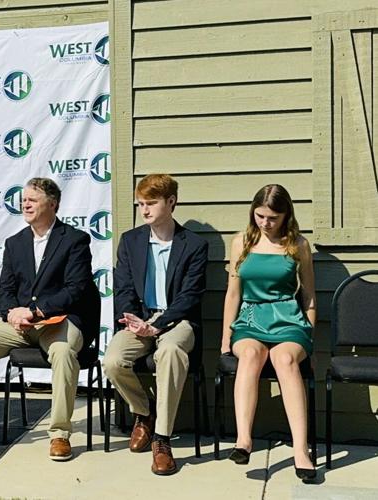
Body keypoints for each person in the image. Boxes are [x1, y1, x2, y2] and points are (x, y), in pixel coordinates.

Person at [0, 177, 100, 461]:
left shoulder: (75, 240)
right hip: (22, 324)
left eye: (33, 199)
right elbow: (5, 291)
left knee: (62, 351)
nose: (25, 203)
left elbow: (76, 290)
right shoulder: (15, 243)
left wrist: (36, 312)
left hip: (60, 321)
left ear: (53, 204)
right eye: (23, 199)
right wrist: (11, 313)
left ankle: (59, 434)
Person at [103, 174, 208, 475]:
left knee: (170, 352)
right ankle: (144, 412)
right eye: (140, 204)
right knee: (112, 361)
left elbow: (190, 295)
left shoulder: (194, 245)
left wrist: (159, 325)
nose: (144, 209)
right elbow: (122, 287)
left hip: (177, 320)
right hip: (140, 318)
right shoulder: (131, 240)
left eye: (151, 203)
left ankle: (162, 439)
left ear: (171, 202)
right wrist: (132, 319)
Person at [221, 184, 316, 482]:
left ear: (286, 215)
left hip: (288, 319)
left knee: (285, 360)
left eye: (273, 217)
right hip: (250, 318)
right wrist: (226, 338)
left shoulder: (298, 244)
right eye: (260, 215)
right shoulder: (241, 243)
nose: (265, 222)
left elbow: (310, 296)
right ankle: (243, 440)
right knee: (250, 354)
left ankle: (301, 450)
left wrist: (309, 331)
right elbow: (233, 294)